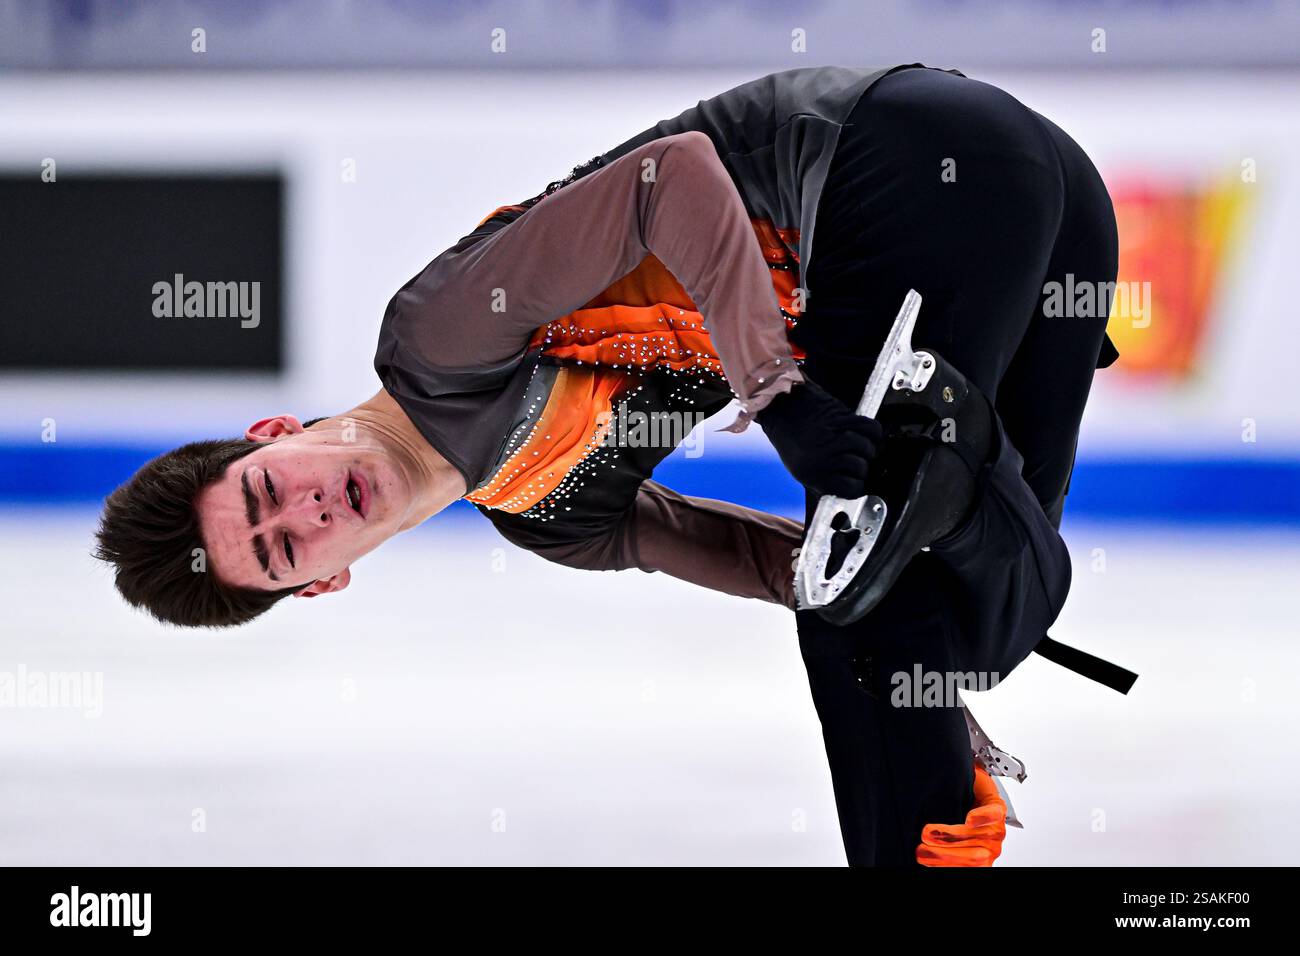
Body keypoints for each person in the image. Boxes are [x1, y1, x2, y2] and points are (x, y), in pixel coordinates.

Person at [95, 64, 1120, 866]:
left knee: (869, 618)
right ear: (323, 580)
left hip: (898, 163)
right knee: (973, 629)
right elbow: (788, 566)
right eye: (285, 549)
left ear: (276, 433)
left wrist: (776, 397)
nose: (310, 509)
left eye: (270, 491)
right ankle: (955, 475)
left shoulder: (436, 340)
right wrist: (930, 686)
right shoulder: (552, 516)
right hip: (1057, 212)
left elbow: (664, 178)